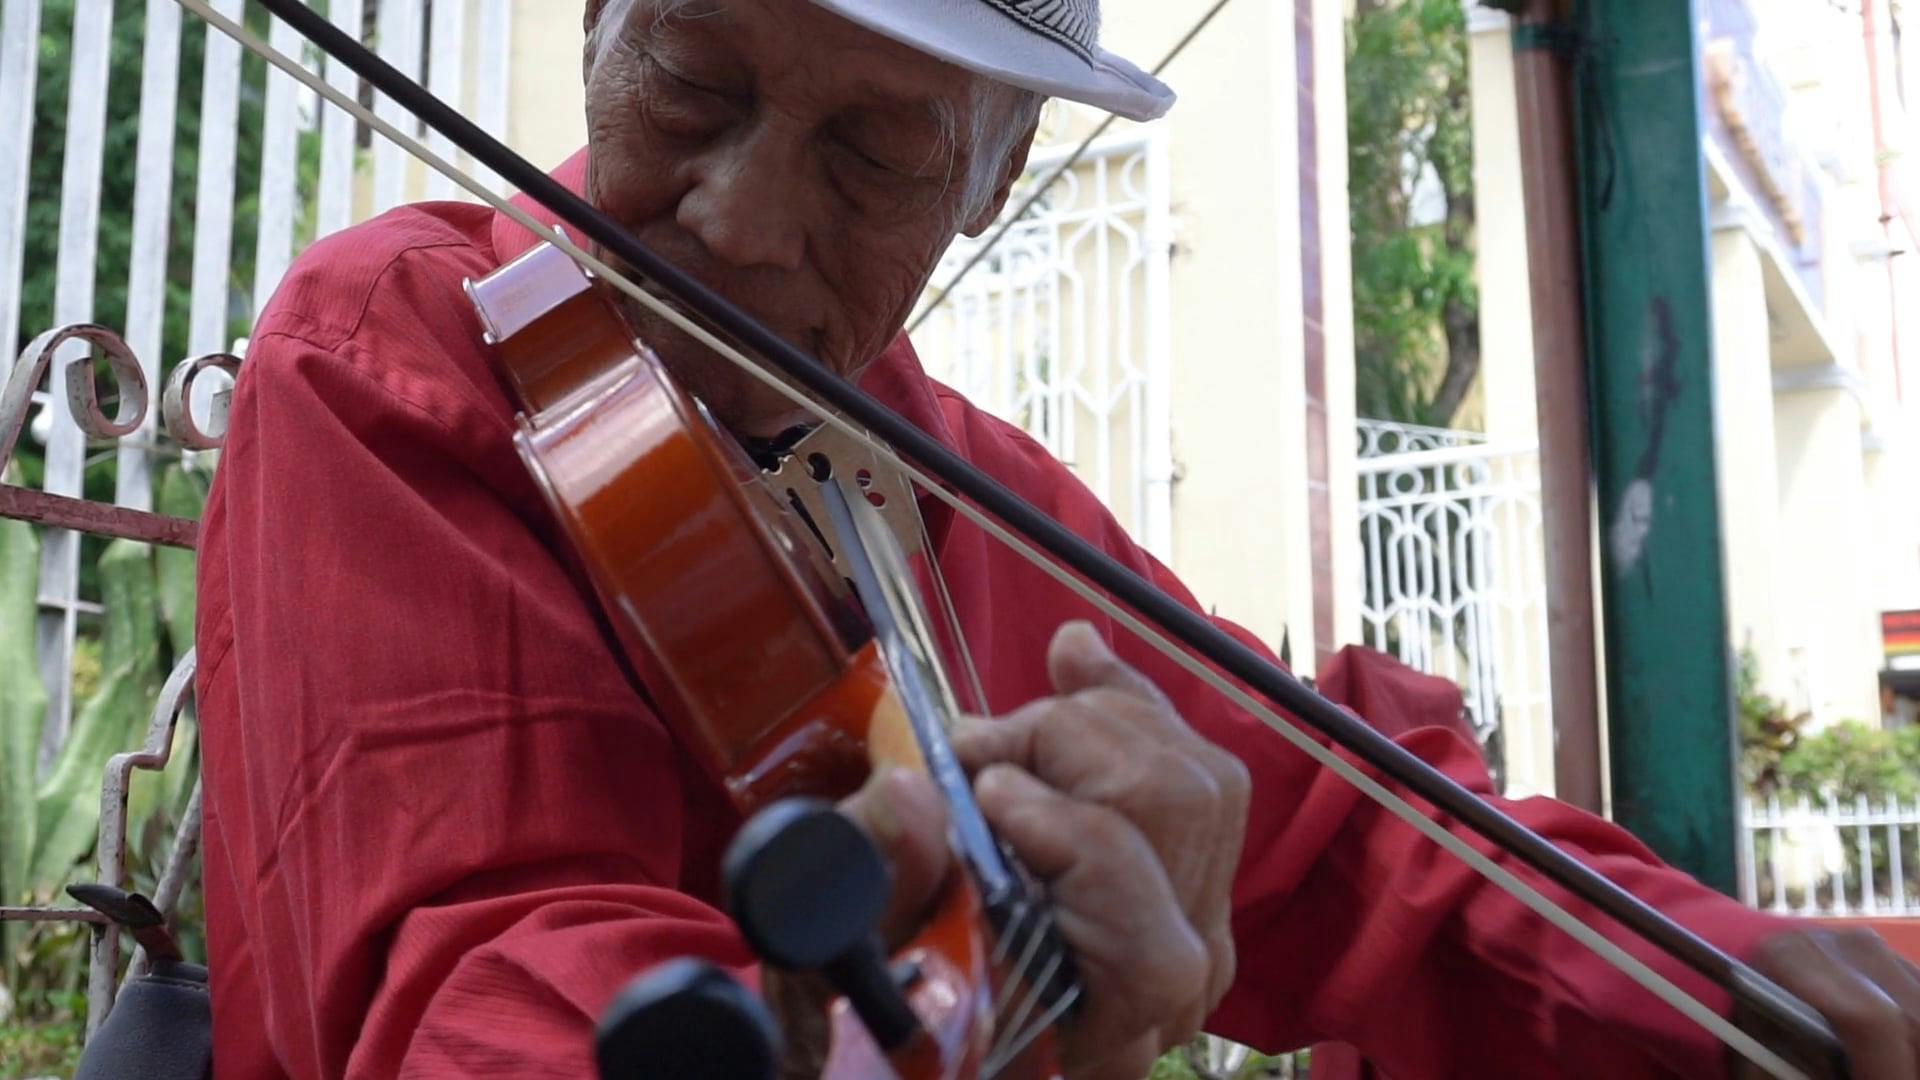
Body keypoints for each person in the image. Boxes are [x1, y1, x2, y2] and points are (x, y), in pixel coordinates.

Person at [192, 0, 1920, 1076]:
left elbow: (1353, 834)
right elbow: (465, 978)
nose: (740, 212)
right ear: (598, 21)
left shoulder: (946, 481)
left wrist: (1736, 982)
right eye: (693, 80)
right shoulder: (396, 354)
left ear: (991, 184)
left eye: (871, 157)